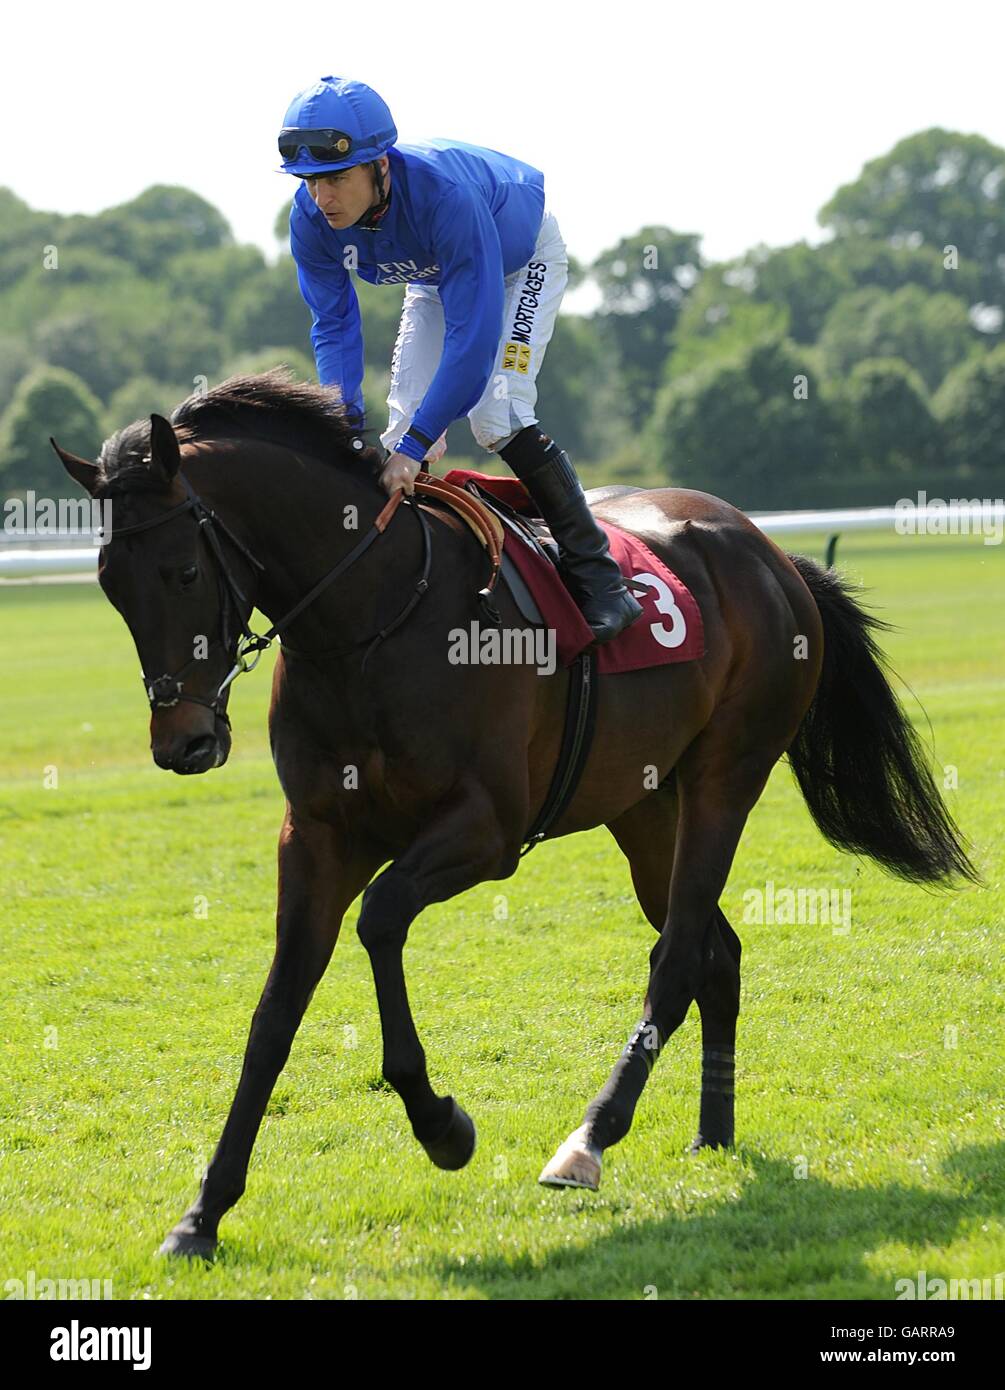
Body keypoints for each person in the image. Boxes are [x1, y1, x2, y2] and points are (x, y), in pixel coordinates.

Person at [280, 75, 642, 643]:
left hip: (520, 262)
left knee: (496, 414)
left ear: (380, 166)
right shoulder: (309, 220)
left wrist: (420, 442)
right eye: (310, 181)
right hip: (434, 276)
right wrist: (345, 424)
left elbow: (472, 342)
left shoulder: (445, 197)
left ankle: (600, 579)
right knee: (398, 428)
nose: (323, 199)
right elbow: (335, 327)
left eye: (337, 179)